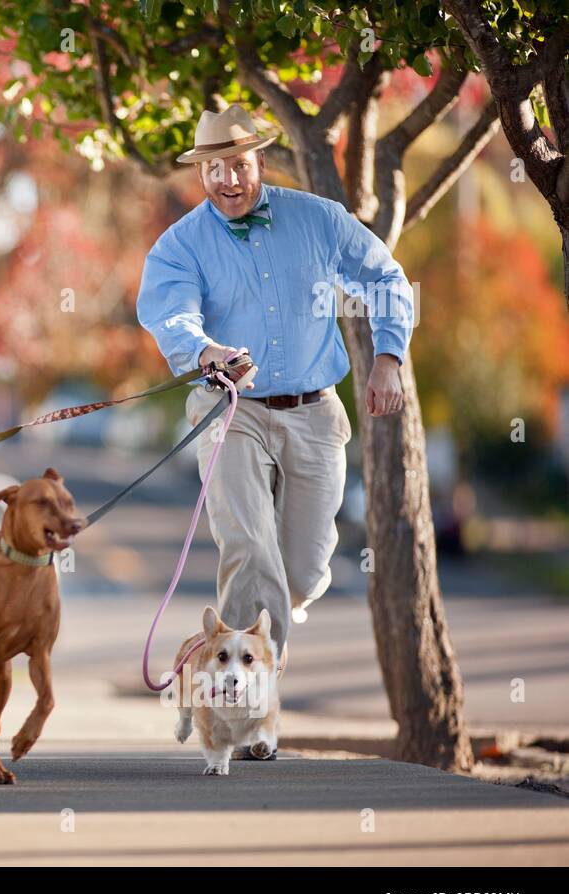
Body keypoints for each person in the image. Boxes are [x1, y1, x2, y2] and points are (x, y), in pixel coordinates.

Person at [137, 104, 413, 681]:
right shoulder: (180, 246)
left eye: (237, 165)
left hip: (314, 412)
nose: (227, 181)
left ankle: (247, 636)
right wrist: (208, 351)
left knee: (304, 571)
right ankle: (248, 706)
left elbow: (386, 277)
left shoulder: (318, 219)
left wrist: (388, 357)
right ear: (200, 174)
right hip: (229, 410)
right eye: (213, 170)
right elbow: (172, 317)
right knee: (249, 551)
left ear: (258, 160)